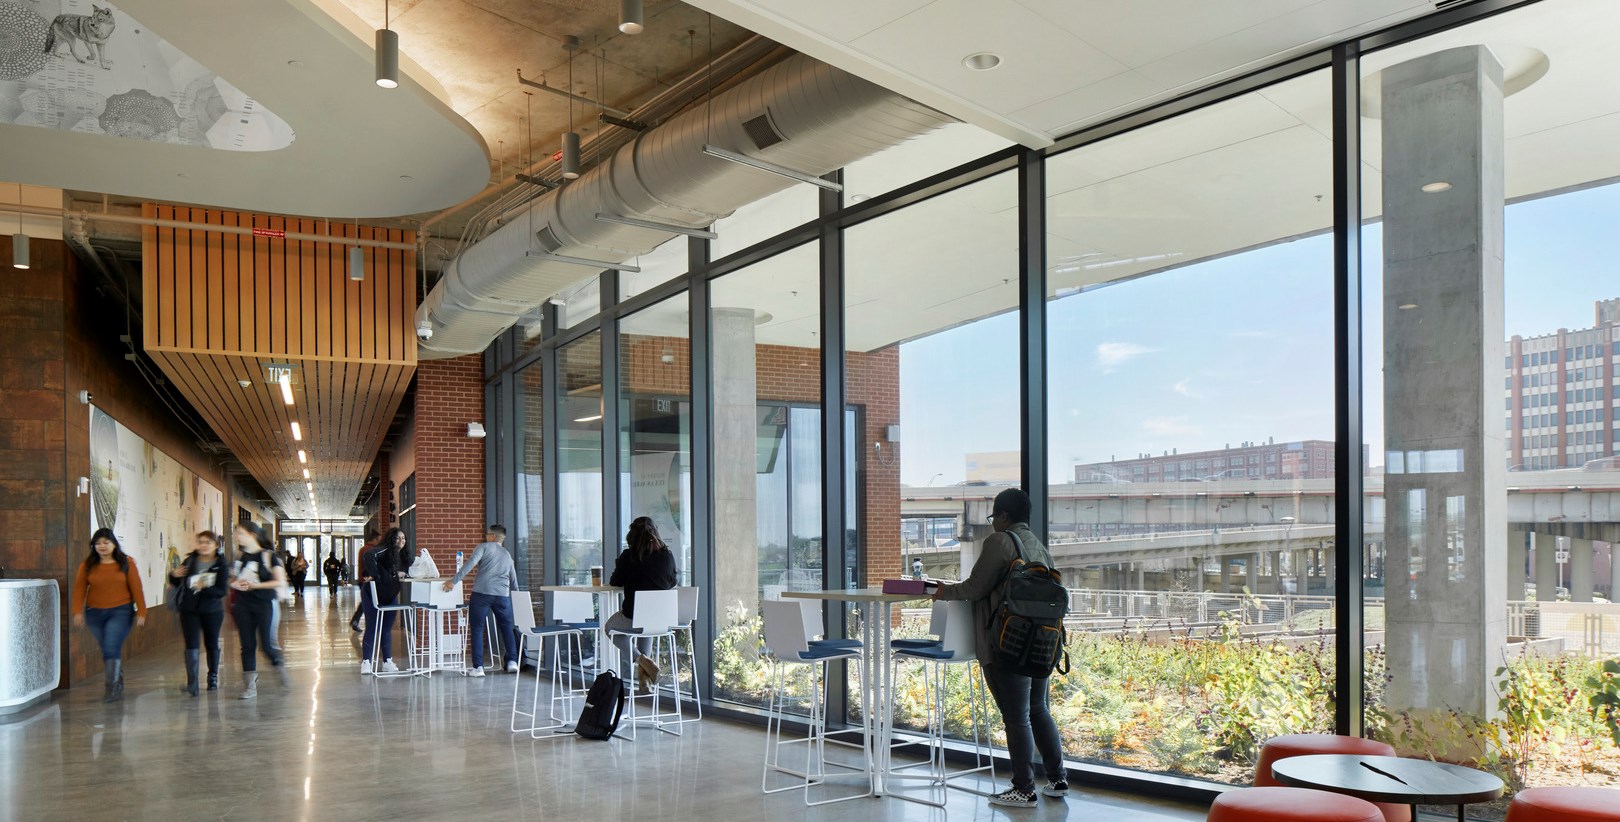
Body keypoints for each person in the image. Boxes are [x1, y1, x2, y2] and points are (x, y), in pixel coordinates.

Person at [932, 488, 1069, 808]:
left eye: (994, 516)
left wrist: (942, 592)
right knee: (1038, 709)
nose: (993, 523)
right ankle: (1057, 779)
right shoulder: (1039, 546)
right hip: (1042, 642)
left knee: (1016, 717)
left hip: (1007, 642)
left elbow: (975, 587)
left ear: (1004, 516)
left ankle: (1024, 789)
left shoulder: (1000, 542)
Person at [72, 528, 147, 703]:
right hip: (94, 614)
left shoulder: (126, 563)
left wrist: (142, 610)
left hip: (121, 612)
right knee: (107, 648)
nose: (102, 546)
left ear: (114, 544)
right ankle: (117, 677)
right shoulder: (87, 565)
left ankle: (111, 688)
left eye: (106, 542)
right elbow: (79, 589)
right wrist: (77, 611)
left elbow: (136, 587)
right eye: (98, 543)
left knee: (111, 645)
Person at [606, 517, 677, 692]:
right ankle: (644, 680)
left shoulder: (628, 556)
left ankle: (643, 661)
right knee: (648, 622)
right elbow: (672, 582)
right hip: (661, 620)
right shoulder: (667, 555)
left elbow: (615, 581)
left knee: (609, 628)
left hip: (633, 618)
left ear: (631, 535)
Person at [443, 525, 518, 677]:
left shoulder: (483, 547)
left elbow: (470, 564)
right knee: (506, 628)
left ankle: (478, 668)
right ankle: (512, 662)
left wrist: (453, 581)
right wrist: (516, 596)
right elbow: (513, 578)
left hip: (482, 594)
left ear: (492, 536)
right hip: (502, 596)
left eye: (487, 534)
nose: (485, 536)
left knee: (477, 628)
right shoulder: (507, 554)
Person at [230, 522, 291, 698]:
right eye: (237, 533)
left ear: (253, 535)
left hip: (264, 604)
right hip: (243, 605)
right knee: (247, 645)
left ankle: (278, 663)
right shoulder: (239, 555)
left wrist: (255, 586)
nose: (238, 537)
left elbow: (279, 581)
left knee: (266, 645)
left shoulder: (268, 556)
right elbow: (231, 578)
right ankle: (250, 686)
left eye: (241, 533)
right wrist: (234, 584)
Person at [168, 530, 230, 696]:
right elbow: (177, 582)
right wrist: (173, 575)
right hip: (189, 610)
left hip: (212, 611)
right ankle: (192, 683)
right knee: (191, 645)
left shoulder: (221, 564)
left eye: (208, 542)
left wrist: (204, 588)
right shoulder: (190, 561)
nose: (204, 545)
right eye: (201, 542)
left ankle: (212, 677)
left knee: (211, 643)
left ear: (216, 545)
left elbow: (222, 591)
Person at [359, 528, 406, 674]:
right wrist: (377, 576)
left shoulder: (403, 555)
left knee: (386, 628)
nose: (401, 541)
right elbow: (368, 555)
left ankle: (387, 661)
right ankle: (366, 662)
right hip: (372, 593)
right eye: (398, 538)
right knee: (372, 626)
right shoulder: (383, 550)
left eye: (403, 538)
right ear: (391, 539)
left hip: (390, 593)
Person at [351, 528, 379, 632]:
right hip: (367, 580)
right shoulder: (370, 550)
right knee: (368, 601)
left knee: (366, 601)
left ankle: (356, 620)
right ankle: (360, 621)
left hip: (363, 579)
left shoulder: (363, 549)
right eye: (378, 540)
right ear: (374, 540)